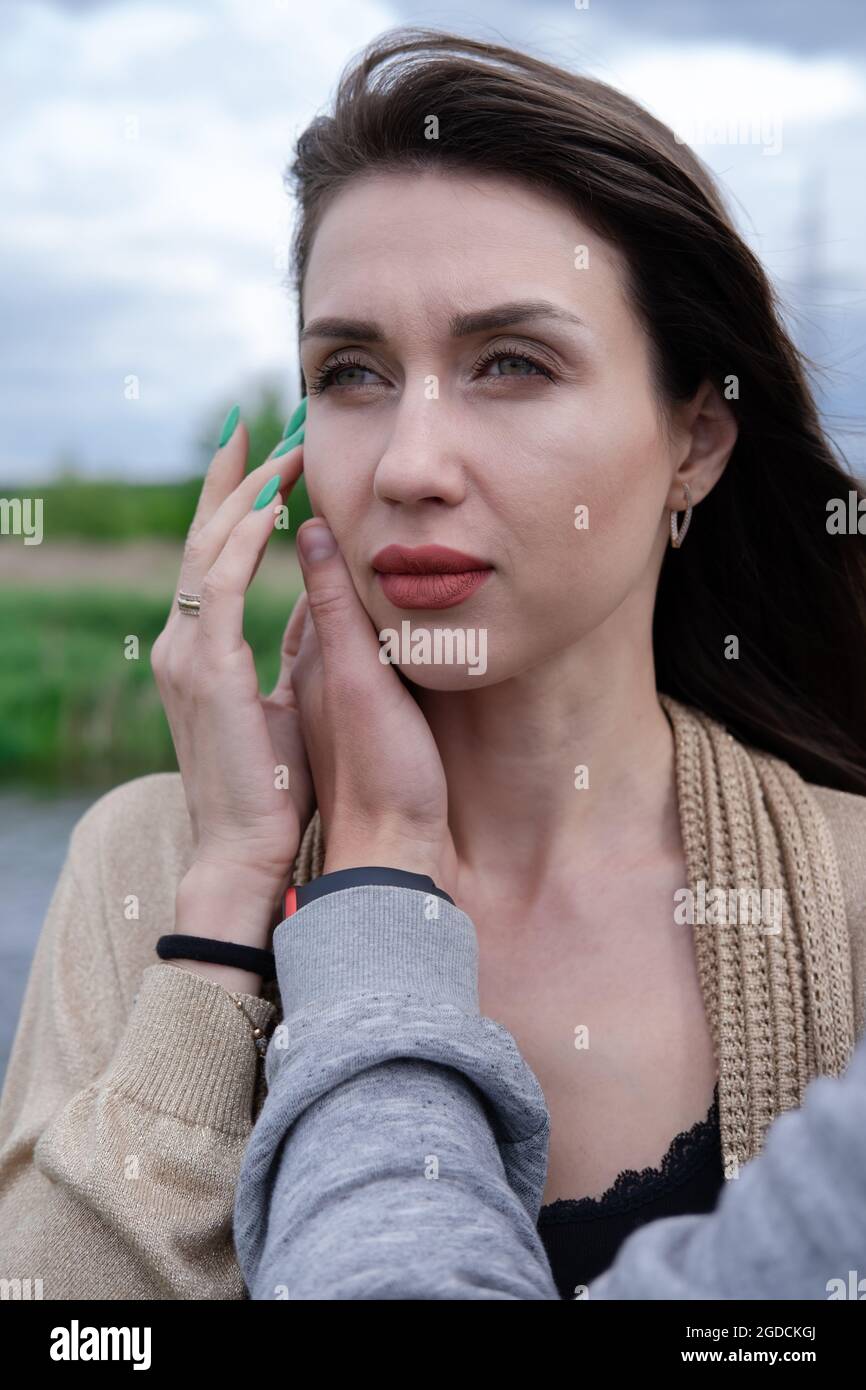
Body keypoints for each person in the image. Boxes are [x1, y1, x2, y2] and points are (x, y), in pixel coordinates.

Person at [1, 26, 865, 1300]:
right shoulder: (156, 859)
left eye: (510, 363)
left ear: (694, 440)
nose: (407, 463)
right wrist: (227, 909)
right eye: (349, 372)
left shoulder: (842, 893)